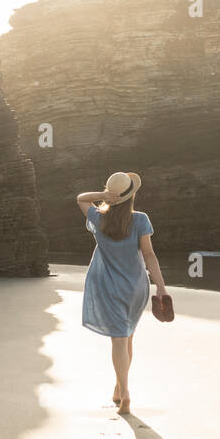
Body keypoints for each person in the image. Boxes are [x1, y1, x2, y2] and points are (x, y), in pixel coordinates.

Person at [76, 172, 166, 413]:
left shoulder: (98, 217)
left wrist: (103, 196)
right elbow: (149, 255)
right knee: (127, 338)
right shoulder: (140, 220)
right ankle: (119, 387)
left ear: (111, 193)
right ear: (131, 196)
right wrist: (161, 285)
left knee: (119, 338)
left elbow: (81, 198)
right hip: (136, 287)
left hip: (109, 286)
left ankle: (124, 393)